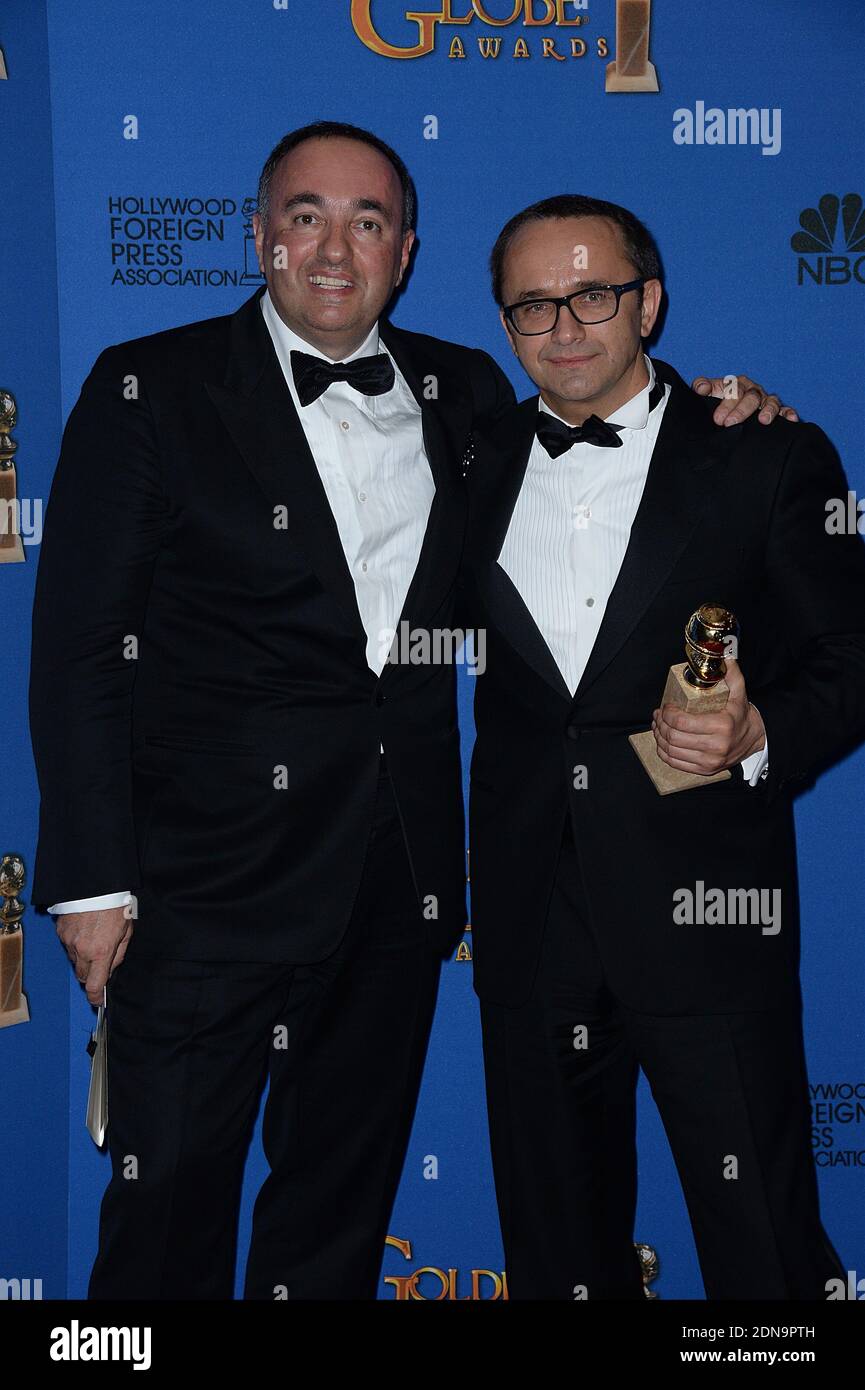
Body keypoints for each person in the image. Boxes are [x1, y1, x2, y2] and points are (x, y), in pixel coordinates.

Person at [29, 124, 788, 1301]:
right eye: (306, 215)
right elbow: (79, 647)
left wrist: (728, 409)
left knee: (336, 1215)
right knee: (163, 1221)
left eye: (369, 221)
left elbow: (621, 442)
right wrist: (91, 880)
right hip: (196, 895)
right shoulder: (151, 388)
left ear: (406, 248)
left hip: (396, 887)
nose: (336, 248)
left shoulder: (467, 393)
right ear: (259, 234)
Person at [462, 194, 865, 1300]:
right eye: (533, 304)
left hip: (709, 913)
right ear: (504, 324)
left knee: (762, 1246)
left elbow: (850, 654)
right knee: (557, 1251)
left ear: (648, 301)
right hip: (531, 918)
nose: (565, 326)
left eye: (593, 293)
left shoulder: (765, 454)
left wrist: (760, 728)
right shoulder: (472, 457)